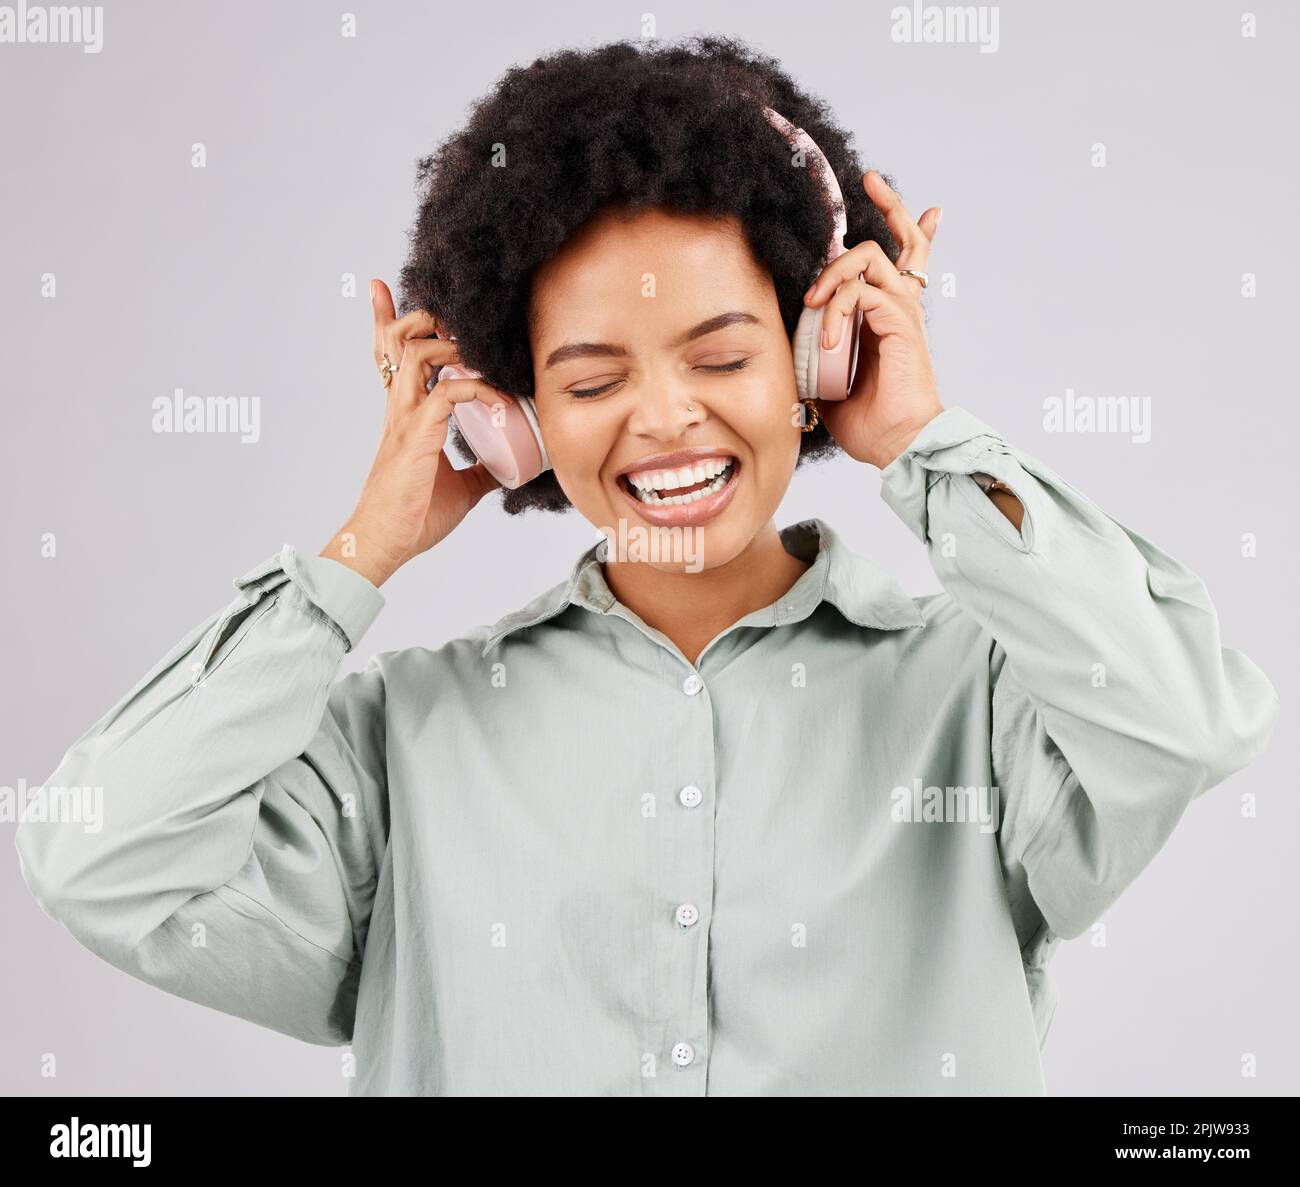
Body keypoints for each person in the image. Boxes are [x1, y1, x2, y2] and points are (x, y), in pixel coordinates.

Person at [14, 36, 1278, 1096]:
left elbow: (1190, 714)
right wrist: (363, 552)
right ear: (512, 420)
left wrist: (924, 445)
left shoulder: (984, 698)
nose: (665, 419)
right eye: (592, 379)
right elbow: (99, 853)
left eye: (723, 356)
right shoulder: (404, 741)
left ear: (819, 358)